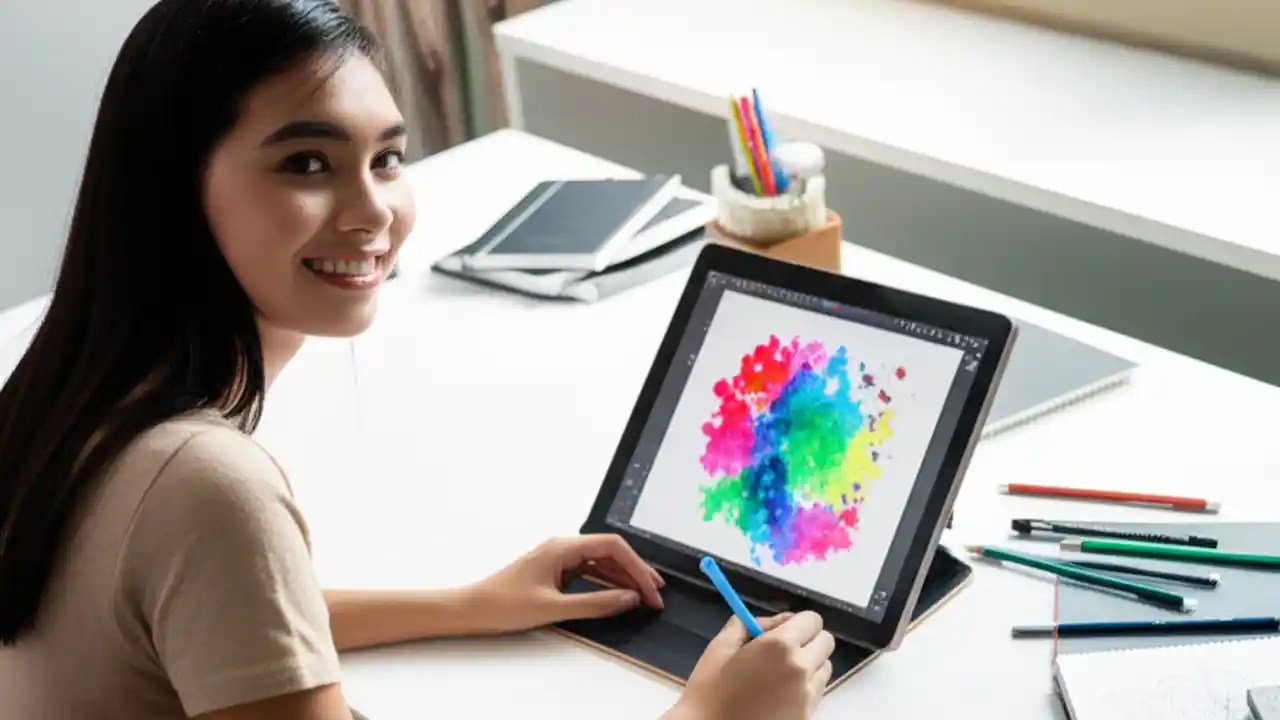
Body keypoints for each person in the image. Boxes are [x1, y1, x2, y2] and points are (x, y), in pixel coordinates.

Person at [0, 1, 836, 719]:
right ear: (174, 185)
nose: (373, 213)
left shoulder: (72, 395)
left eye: (387, 159)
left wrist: (471, 604)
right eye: (306, 164)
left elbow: (220, 625)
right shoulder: (207, 486)